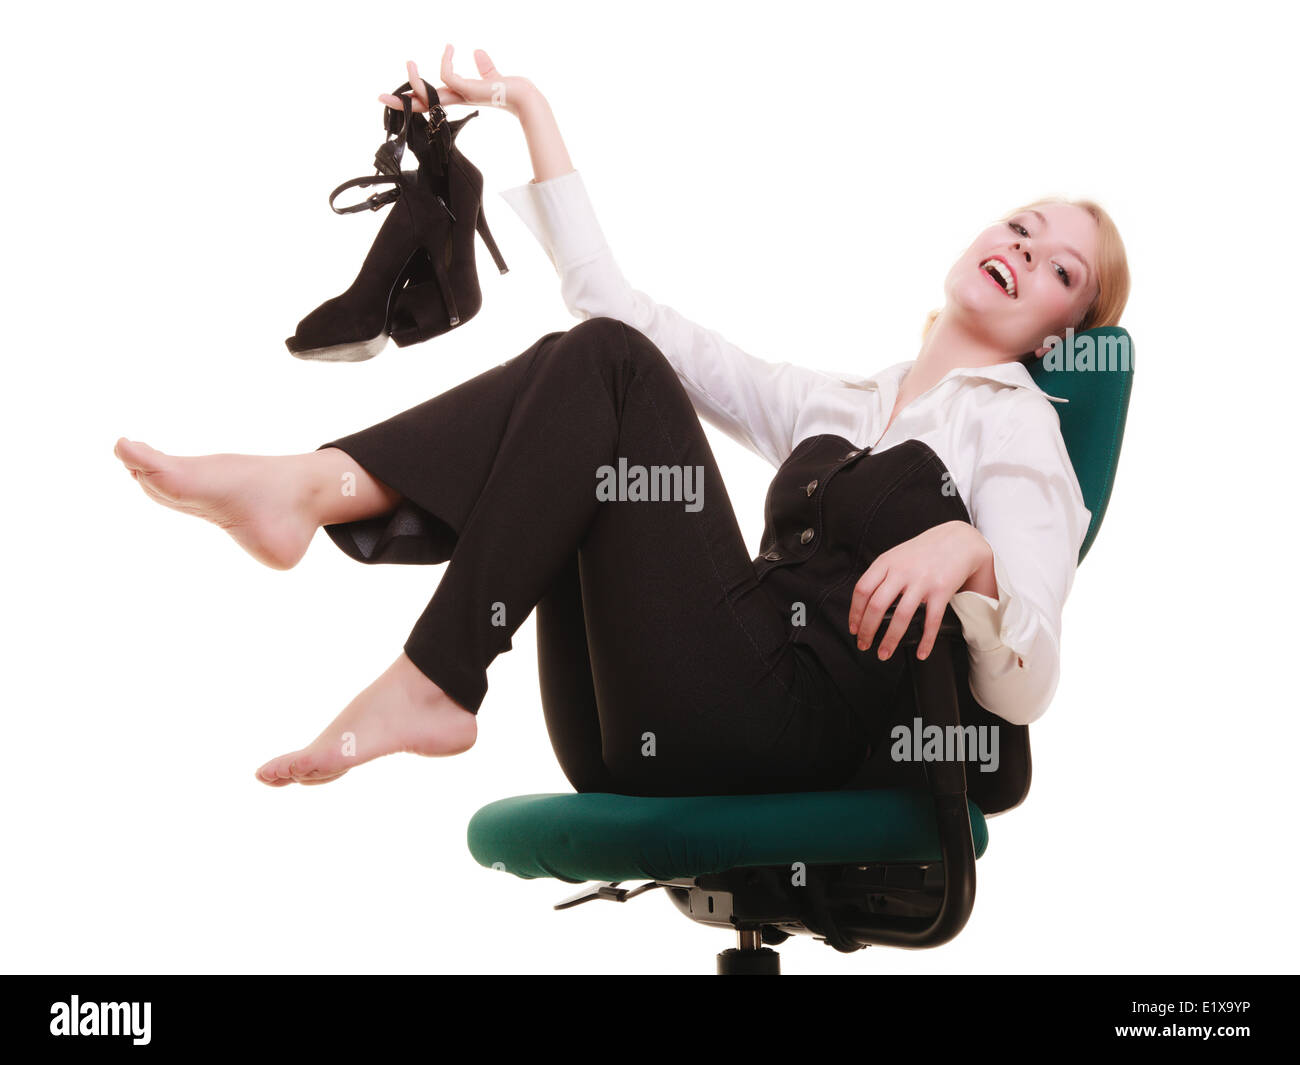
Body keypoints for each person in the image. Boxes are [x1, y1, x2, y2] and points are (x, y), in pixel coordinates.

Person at [114, 48, 1130, 796]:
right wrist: (527, 108)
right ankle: (334, 518)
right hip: (631, 722)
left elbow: (1027, 685)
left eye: (1060, 271)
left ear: (1061, 331)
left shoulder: (1020, 435)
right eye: (1021, 227)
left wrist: (969, 555)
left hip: (775, 732)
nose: (1025, 252)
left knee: (606, 370)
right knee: (596, 368)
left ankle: (392, 610)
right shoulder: (847, 406)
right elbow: (617, 309)